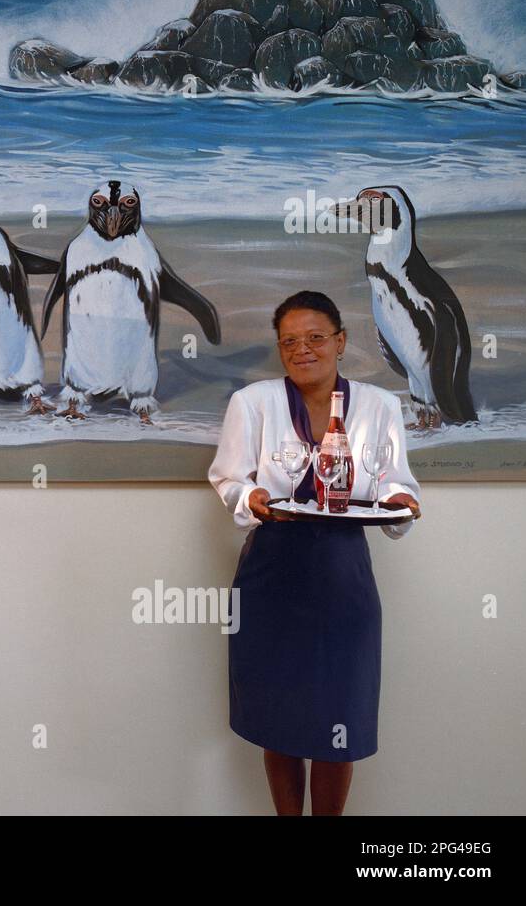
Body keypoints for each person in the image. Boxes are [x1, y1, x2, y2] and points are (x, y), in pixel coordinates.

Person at [208, 290, 421, 815]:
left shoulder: (380, 406)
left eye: (315, 338)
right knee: (279, 717)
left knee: (338, 715)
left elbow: (399, 485)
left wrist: (401, 502)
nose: (302, 349)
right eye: (289, 342)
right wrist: (249, 497)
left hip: (344, 576)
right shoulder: (252, 403)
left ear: (341, 342)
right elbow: (228, 478)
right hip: (271, 574)